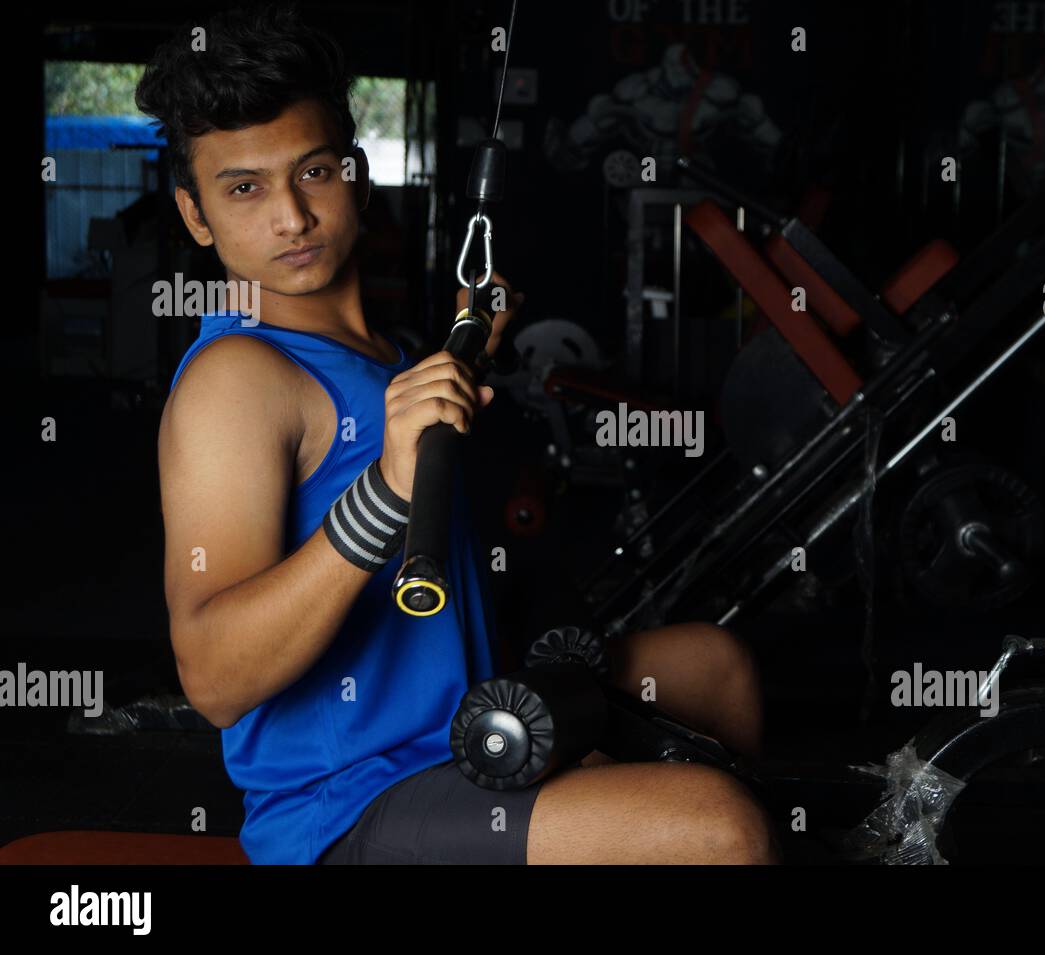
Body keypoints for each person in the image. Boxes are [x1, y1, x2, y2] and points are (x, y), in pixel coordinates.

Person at [144, 5, 778, 865]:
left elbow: (385, 421)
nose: (291, 217)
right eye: (243, 188)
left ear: (356, 174)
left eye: (314, 171)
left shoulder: (387, 352)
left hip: (469, 719)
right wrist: (384, 494)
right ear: (194, 214)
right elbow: (213, 677)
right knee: (719, 829)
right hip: (352, 807)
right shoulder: (236, 380)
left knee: (716, 668)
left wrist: (464, 347)